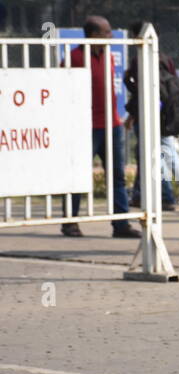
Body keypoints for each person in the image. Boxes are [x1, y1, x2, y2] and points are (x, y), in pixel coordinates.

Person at [63, 16, 139, 239]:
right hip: (85, 126)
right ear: (94, 35)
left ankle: (121, 223)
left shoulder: (108, 56)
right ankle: (70, 221)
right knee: (78, 175)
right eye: (107, 32)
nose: (111, 36)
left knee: (117, 175)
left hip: (111, 124)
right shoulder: (74, 57)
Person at [123, 20, 179, 210]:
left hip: (148, 113)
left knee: (150, 155)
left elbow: (140, 90)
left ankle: (166, 195)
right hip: (166, 113)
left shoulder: (139, 59)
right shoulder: (165, 58)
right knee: (167, 153)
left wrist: (127, 81)